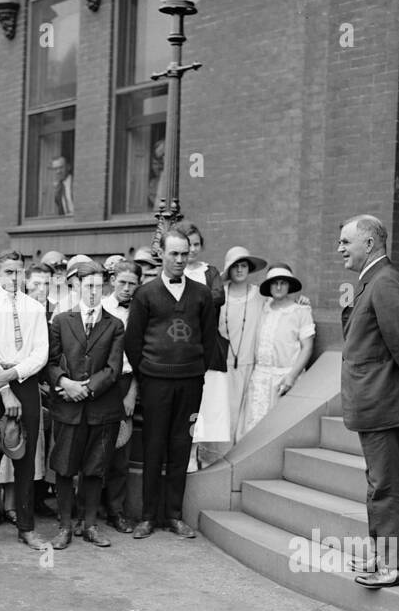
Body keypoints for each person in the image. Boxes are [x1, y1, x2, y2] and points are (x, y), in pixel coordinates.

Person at [337, 215, 399, 589]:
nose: (339, 248)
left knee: (386, 485)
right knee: (379, 484)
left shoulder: (384, 281)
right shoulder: (373, 281)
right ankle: (383, 554)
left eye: (346, 241)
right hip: (376, 404)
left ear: (369, 243)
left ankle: (397, 565)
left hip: (383, 404)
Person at [123, 228, 223, 540]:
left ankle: (175, 515)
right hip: (155, 382)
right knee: (154, 445)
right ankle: (149, 516)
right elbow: (133, 341)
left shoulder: (202, 294)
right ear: (162, 255)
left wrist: (194, 370)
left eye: (184, 253)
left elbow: (208, 339)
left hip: (191, 382)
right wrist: (149, 371)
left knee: (181, 446)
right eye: (173, 254)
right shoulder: (146, 293)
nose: (180, 259)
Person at [0, 250, 50, 551]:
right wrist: (2, 387)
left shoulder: (34, 308)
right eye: (8, 272)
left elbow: (40, 353)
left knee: (25, 460)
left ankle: (26, 528)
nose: (14, 278)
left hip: (24, 382)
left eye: (19, 272)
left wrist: (15, 374)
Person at [45, 261, 125, 549]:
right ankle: (65, 526)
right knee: (65, 468)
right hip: (67, 407)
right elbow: (51, 362)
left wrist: (87, 389)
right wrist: (65, 383)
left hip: (101, 410)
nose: (93, 292)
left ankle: (90, 525)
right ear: (76, 286)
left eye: (98, 286)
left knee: (94, 468)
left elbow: (113, 368)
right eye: (87, 286)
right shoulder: (61, 321)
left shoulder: (114, 324)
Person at [244, 263, 315, 431]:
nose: (278, 287)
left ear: (289, 285)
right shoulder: (263, 307)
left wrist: (291, 376)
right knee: (255, 424)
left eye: (283, 283)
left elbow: (307, 347)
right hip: (260, 376)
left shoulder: (300, 311)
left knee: (279, 426)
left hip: (284, 376)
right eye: (274, 283)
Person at [100, 259, 140, 532]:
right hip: (101, 383)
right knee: (93, 448)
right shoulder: (99, 307)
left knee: (120, 451)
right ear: (113, 280)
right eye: (122, 282)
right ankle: (86, 511)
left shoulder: (142, 311)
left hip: (126, 384)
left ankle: (116, 511)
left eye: (132, 284)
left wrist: (132, 394)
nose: (126, 289)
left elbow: (144, 356)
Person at [219, 246, 268, 444]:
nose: (240, 270)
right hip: (223, 367)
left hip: (251, 366)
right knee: (225, 415)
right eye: (235, 266)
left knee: (246, 418)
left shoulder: (259, 295)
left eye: (244, 266)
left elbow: (280, 307)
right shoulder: (219, 295)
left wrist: (300, 301)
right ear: (229, 269)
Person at [177, 221, 225, 309]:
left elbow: (219, 297)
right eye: (189, 245)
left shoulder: (211, 272)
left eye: (196, 244)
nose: (193, 249)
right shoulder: (174, 271)